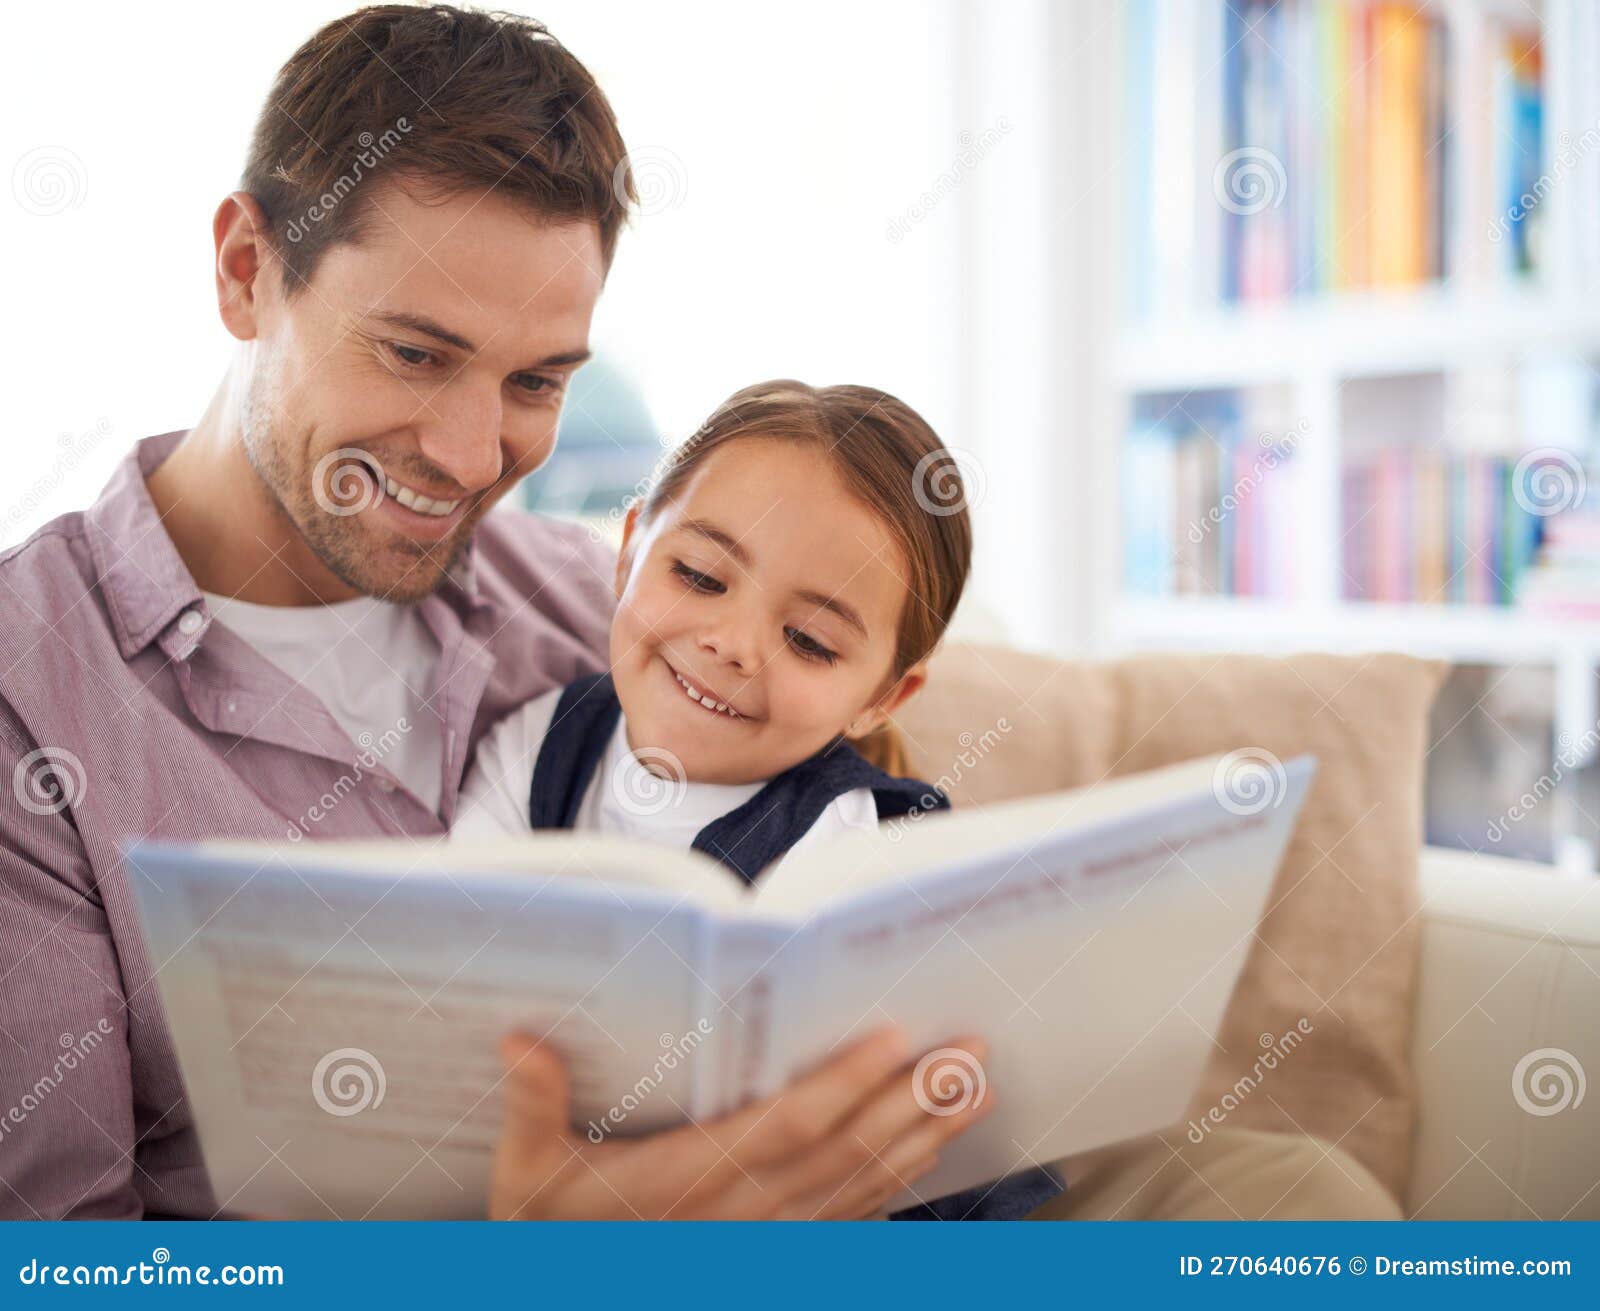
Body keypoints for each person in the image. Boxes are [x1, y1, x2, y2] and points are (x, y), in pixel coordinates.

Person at [0, 4, 1400, 1222]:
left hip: (841, 1205)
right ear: (249, 271)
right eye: (417, 353)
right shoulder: (34, 698)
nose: (477, 454)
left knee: (1303, 1199)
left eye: (538, 382)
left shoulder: (595, 599)